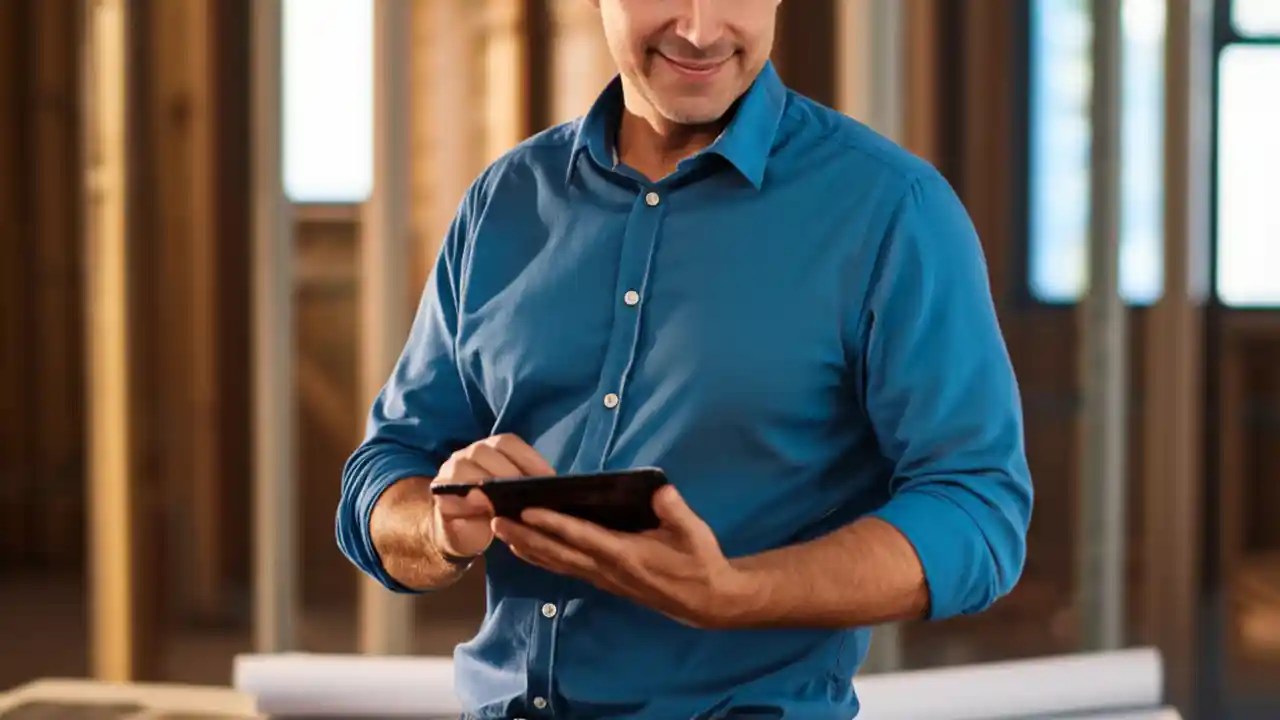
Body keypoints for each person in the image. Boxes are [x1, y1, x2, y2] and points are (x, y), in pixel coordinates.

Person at [337, 0, 1033, 717]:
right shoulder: (504, 201)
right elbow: (382, 475)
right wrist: (439, 525)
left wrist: (735, 593)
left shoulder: (892, 211)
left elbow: (978, 511)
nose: (700, 31)